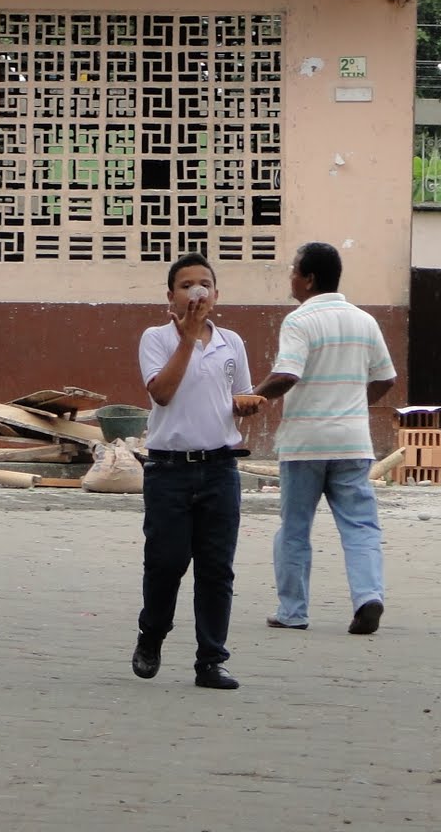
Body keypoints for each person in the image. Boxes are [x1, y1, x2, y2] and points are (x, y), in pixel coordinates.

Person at [131, 252, 262, 691]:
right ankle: (152, 634)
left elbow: (239, 397)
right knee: (166, 563)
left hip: (220, 468)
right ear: (170, 296)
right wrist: (186, 338)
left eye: (203, 283)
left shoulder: (232, 343)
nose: (196, 292)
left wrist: (249, 404)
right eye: (186, 285)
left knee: (216, 568)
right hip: (169, 470)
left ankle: (211, 659)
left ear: (217, 295)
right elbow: (163, 394)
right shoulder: (156, 338)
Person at [250, 242, 396, 635]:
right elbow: (386, 378)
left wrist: (253, 397)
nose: (291, 279)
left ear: (310, 278)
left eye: (294, 271)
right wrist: (353, 404)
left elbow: (287, 375)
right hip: (352, 443)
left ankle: (293, 611)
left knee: (295, 527)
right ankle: (369, 596)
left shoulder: (300, 321)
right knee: (361, 526)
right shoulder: (364, 321)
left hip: (305, 444)